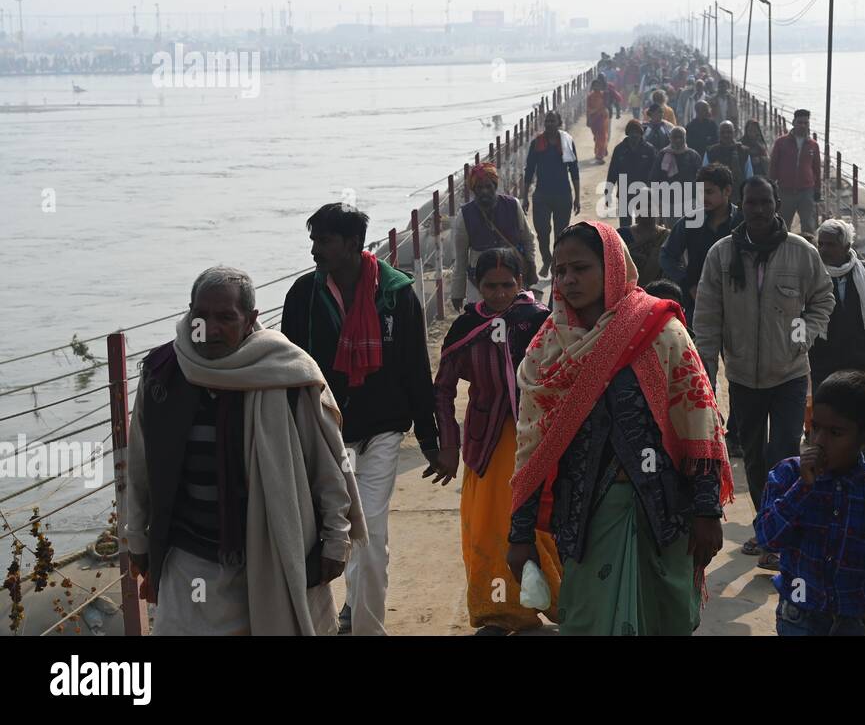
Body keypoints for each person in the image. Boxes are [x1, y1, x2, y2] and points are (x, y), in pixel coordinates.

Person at [505, 221, 733, 635]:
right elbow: (531, 448)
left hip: (661, 509)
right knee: (588, 620)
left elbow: (701, 420)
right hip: (585, 514)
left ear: (611, 266)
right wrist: (519, 535)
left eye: (581, 268)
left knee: (664, 619)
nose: (568, 280)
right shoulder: (547, 347)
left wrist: (707, 508)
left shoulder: (660, 330)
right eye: (560, 271)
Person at [124, 266, 366, 635]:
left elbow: (327, 466)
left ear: (251, 319)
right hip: (188, 557)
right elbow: (141, 465)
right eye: (201, 315)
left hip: (269, 556)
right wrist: (138, 537)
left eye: (226, 317)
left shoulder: (285, 373)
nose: (211, 327)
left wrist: (336, 539)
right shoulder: (164, 374)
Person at [281, 203, 441, 636]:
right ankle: (330, 621)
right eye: (313, 240)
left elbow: (414, 369)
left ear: (352, 244)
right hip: (324, 435)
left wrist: (431, 440)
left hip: (383, 432)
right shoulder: (303, 296)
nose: (315, 249)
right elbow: (286, 372)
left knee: (368, 542)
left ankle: (368, 629)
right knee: (324, 538)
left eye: (324, 240)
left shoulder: (395, 294)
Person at [693, 175, 835, 571]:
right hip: (741, 376)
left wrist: (803, 335)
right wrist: (705, 369)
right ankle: (766, 522)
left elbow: (824, 297)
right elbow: (707, 317)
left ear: (775, 205)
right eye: (751, 202)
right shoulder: (721, 255)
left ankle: (781, 533)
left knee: (785, 453)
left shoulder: (801, 252)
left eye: (765, 202)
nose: (758, 209)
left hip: (789, 373)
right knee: (753, 457)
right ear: (742, 204)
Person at [430, 249, 563, 634]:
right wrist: (449, 446)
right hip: (485, 442)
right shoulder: (467, 326)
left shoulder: (540, 322)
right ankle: (501, 610)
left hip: (536, 437)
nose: (500, 293)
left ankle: (556, 601)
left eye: (508, 284)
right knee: (488, 524)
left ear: (522, 283)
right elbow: (442, 389)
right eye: (491, 285)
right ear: (477, 284)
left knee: (538, 523)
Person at [754, 370, 865, 636]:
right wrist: (803, 489)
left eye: (835, 432)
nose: (819, 441)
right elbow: (767, 537)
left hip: (854, 620)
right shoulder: (788, 475)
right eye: (815, 428)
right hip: (798, 617)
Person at [809, 219, 865, 403]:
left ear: (846, 246)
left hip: (861, 361)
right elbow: (799, 316)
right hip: (823, 362)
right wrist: (797, 347)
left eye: (831, 245)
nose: (823, 250)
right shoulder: (810, 276)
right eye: (821, 244)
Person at [659, 164, 741, 327]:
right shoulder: (689, 222)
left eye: (709, 192)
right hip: (698, 304)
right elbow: (666, 256)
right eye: (701, 192)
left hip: (738, 304)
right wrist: (688, 284)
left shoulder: (743, 221)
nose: (704, 197)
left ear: (727, 191)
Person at [451, 161, 537, 311]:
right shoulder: (465, 215)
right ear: (473, 190)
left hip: (513, 278)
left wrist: (531, 264)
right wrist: (457, 292)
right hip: (479, 283)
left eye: (488, 187)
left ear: (495, 187)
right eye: (479, 188)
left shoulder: (512, 205)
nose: (484, 191)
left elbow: (528, 239)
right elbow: (461, 258)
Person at [523, 110, 582, 279]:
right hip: (541, 194)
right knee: (542, 232)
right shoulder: (536, 144)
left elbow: (574, 171)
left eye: (552, 121)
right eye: (547, 121)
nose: (549, 124)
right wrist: (525, 196)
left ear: (559, 123)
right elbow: (529, 171)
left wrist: (577, 197)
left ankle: (556, 264)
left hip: (563, 194)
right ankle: (547, 258)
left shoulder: (567, 142)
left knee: (560, 233)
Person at [769, 108, 821, 234]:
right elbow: (773, 164)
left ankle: (807, 251)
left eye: (806, 123)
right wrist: (771, 186)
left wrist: (818, 190)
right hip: (785, 191)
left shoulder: (813, 145)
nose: (803, 126)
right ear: (793, 122)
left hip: (806, 191)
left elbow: (817, 169)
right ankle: (781, 250)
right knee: (782, 224)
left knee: (808, 226)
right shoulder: (781, 142)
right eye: (800, 122)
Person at [606, 119, 657, 229]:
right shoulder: (619, 150)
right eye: (632, 132)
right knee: (625, 226)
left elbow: (655, 174)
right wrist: (608, 192)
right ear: (627, 134)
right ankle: (627, 245)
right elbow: (612, 172)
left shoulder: (649, 150)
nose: (634, 135)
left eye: (637, 132)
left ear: (641, 134)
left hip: (644, 194)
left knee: (643, 225)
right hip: (624, 192)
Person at [704, 120, 753, 205]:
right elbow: (704, 176)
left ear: (734, 133)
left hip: (738, 195)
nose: (726, 135)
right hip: (717, 196)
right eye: (723, 132)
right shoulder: (711, 151)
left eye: (729, 132)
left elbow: (749, 176)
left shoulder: (743, 151)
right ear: (718, 133)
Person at [618, 213, 671, 283]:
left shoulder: (666, 236)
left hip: (659, 290)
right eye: (641, 206)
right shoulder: (622, 234)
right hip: (629, 289)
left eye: (649, 206)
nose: (646, 211)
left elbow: (673, 267)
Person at [587, 77, 611, 163]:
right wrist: (588, 119)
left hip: (603, 117)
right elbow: (588, 109)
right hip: (594, 119)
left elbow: (607, 104)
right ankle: (603, 149)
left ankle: (600, 155)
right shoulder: (590, 96)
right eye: (595, 85)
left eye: (598, 85)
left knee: (602, 136)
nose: (597, 86)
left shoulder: (604, 94)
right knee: (596, 137)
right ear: (593, 86)